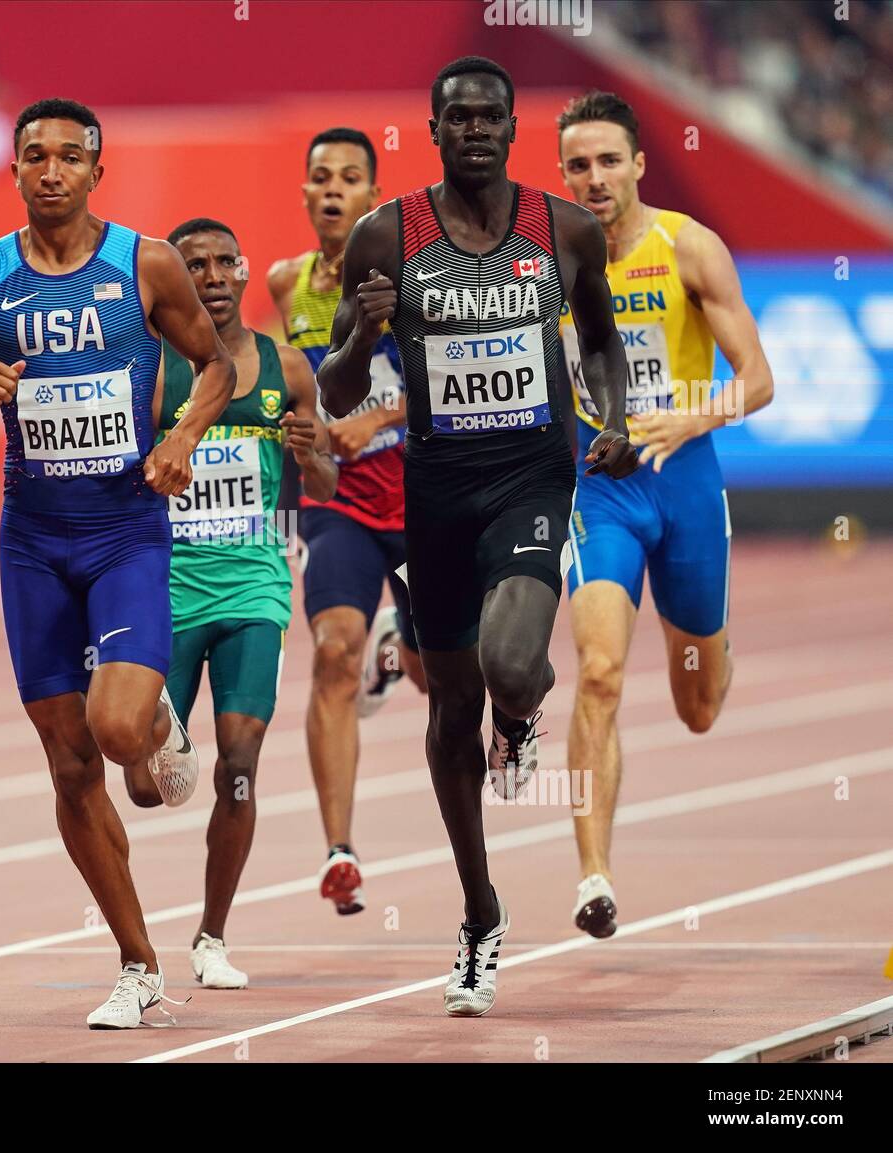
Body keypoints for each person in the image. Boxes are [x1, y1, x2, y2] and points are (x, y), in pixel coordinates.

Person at [317, 57, 639, 1016]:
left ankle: (525, 709)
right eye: (456, 117)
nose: (474, 130)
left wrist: (612, 417)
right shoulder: (386, 236)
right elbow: (335, 393)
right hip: (439, 492)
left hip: (535, 476)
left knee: (509, 659)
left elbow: (602, 339)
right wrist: (359, 339)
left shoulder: (564, 228)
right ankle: (481, 914)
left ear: (510, 128)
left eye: (490, 116)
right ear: (431, 129)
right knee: (450, 711)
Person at [0, 99, 236, 1029]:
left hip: (125, 530)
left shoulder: (146, 264)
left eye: (69, 157)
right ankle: (138, 962)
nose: (50, 170)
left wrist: (179, 435)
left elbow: (216, 366)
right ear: (15, 170)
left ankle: (156, 714)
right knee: (67, 764)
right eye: (33, 157)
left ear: (100, 170)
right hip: (34, 544)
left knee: (119, 729)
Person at [556, 91, 774, 938]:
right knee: (600, 670)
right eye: (578, 164)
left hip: (684, 486)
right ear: (563, 174)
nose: (595, 177)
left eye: (609, 160)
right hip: (600, 489)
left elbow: (759, 377)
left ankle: (715, 650)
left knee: (698, 706)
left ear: (640, 163)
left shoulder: (690, 247)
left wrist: (696, 415)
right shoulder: (543, 260)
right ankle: (593, 874)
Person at [159, 218, 338, 988]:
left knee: (240, 764)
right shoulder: (153, 369)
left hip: (255, 584)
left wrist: (310, 453)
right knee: (144, 781)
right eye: (193, 265)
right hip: (163, 588)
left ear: (242, 269)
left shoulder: (285, 365)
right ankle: (167, 738)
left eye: (223, 261)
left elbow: (327, 483)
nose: (212, 276)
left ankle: (211, 936)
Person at [266, 127, 425, 917]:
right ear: (304, 194)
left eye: (350, 178)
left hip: (424, 498)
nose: (333, 189)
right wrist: (307, 428)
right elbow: (298, 387)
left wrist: (382, 416)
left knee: (442, 677)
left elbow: (450, 382)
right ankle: (340, 849)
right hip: (334, 499)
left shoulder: (411, 274)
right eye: (320, 176)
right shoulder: (286, 282)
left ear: (374, 195)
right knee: (332, 653)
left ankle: (403, 650)